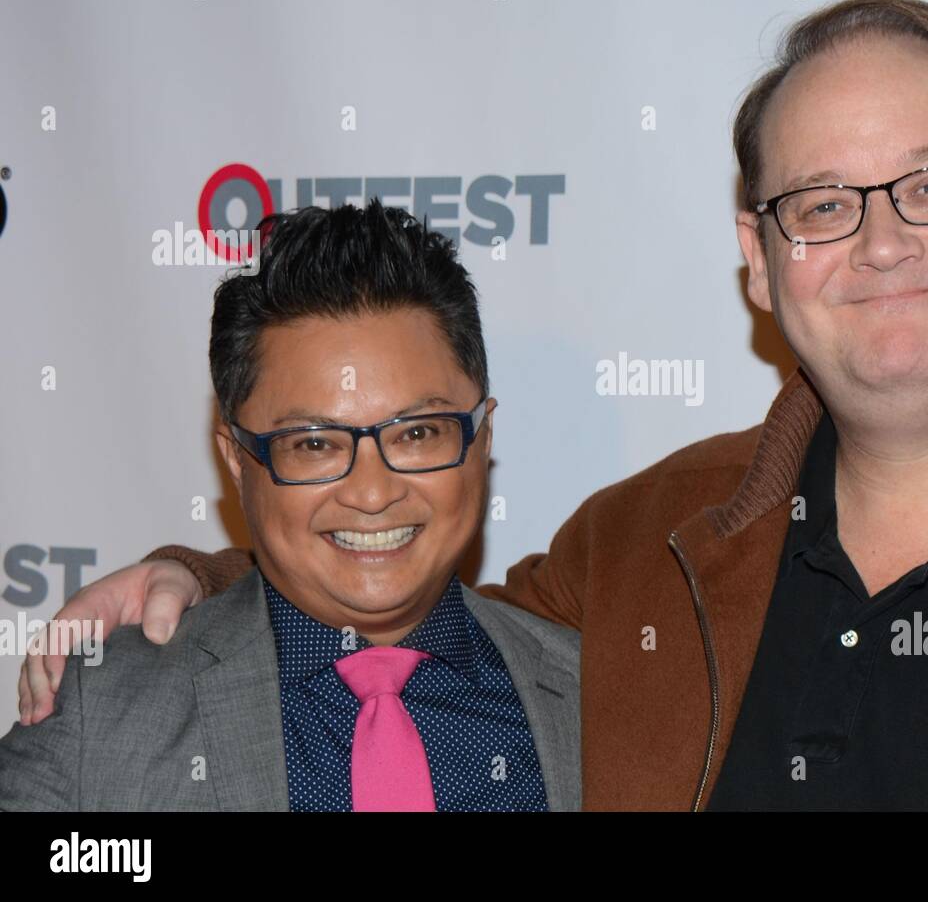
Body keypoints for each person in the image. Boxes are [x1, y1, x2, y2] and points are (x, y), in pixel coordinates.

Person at [19, 0, 928, 811]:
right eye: (819, 203)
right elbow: (385, 591)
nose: (881, 242)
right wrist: (194, 571)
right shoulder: (636, 558)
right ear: (757, 259)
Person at [1, 201, 580, 810]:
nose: (373, 492)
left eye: (416, 433)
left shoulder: (597, 700)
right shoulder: (108, 712)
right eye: (313, 444)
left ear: (482, 437)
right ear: (234, 457)